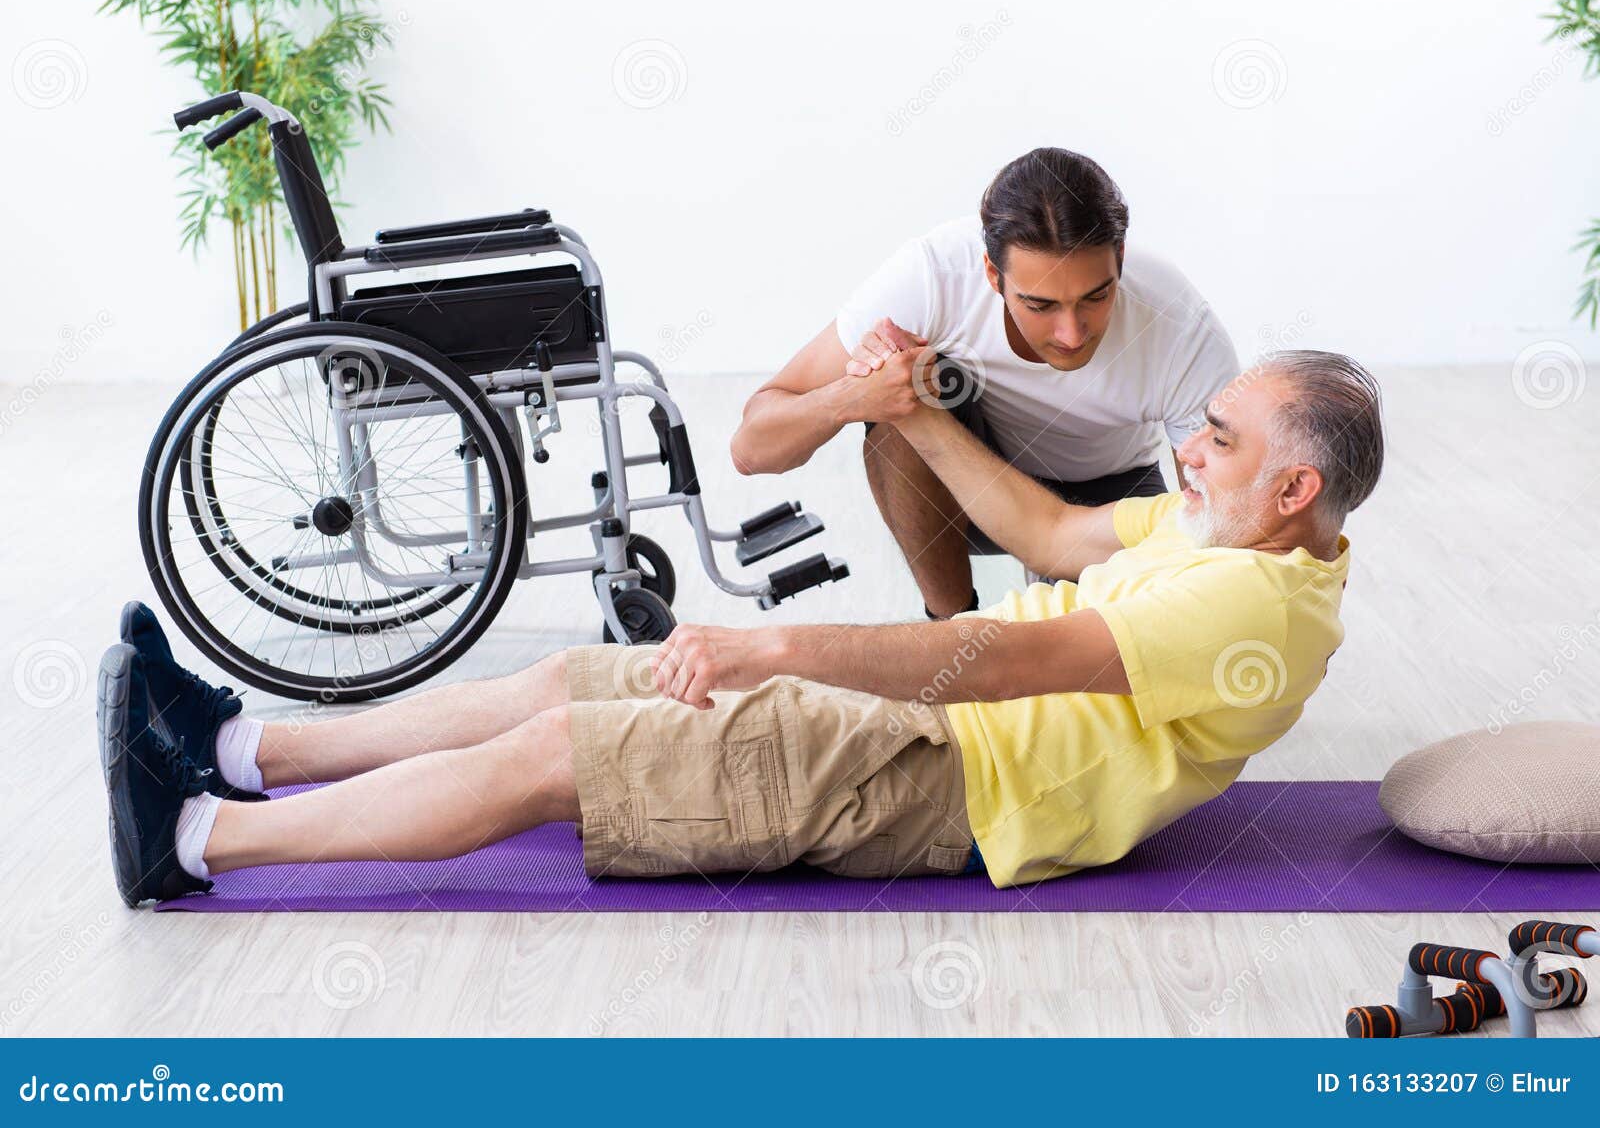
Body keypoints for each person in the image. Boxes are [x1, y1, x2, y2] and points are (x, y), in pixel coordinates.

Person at [98, 351, 1382, 903]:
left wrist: (769, 645)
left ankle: (198, 841)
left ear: (1293, 489)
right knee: (564, 679)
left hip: (950, 780)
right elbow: (1049, 538)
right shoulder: (1229, 528)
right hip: (930, 723)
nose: (1186, 448)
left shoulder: (1244, 600)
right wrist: (905, 410)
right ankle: (243, 751)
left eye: (1218, 439)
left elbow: (1000, 663)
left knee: (562, 760)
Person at [730, 147, 1240, 618]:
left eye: (1095, 296)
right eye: (1040, 305)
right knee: (897, 405)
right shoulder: (932, 277)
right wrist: (852, 396)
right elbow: (751, 450)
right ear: (993, 277)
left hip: (1109, 496)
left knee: (1118, 646)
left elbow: (1226, 528)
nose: (1071, 333)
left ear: (1121, 260)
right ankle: (950, 628)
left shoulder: (1181, 327)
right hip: (968, 486)